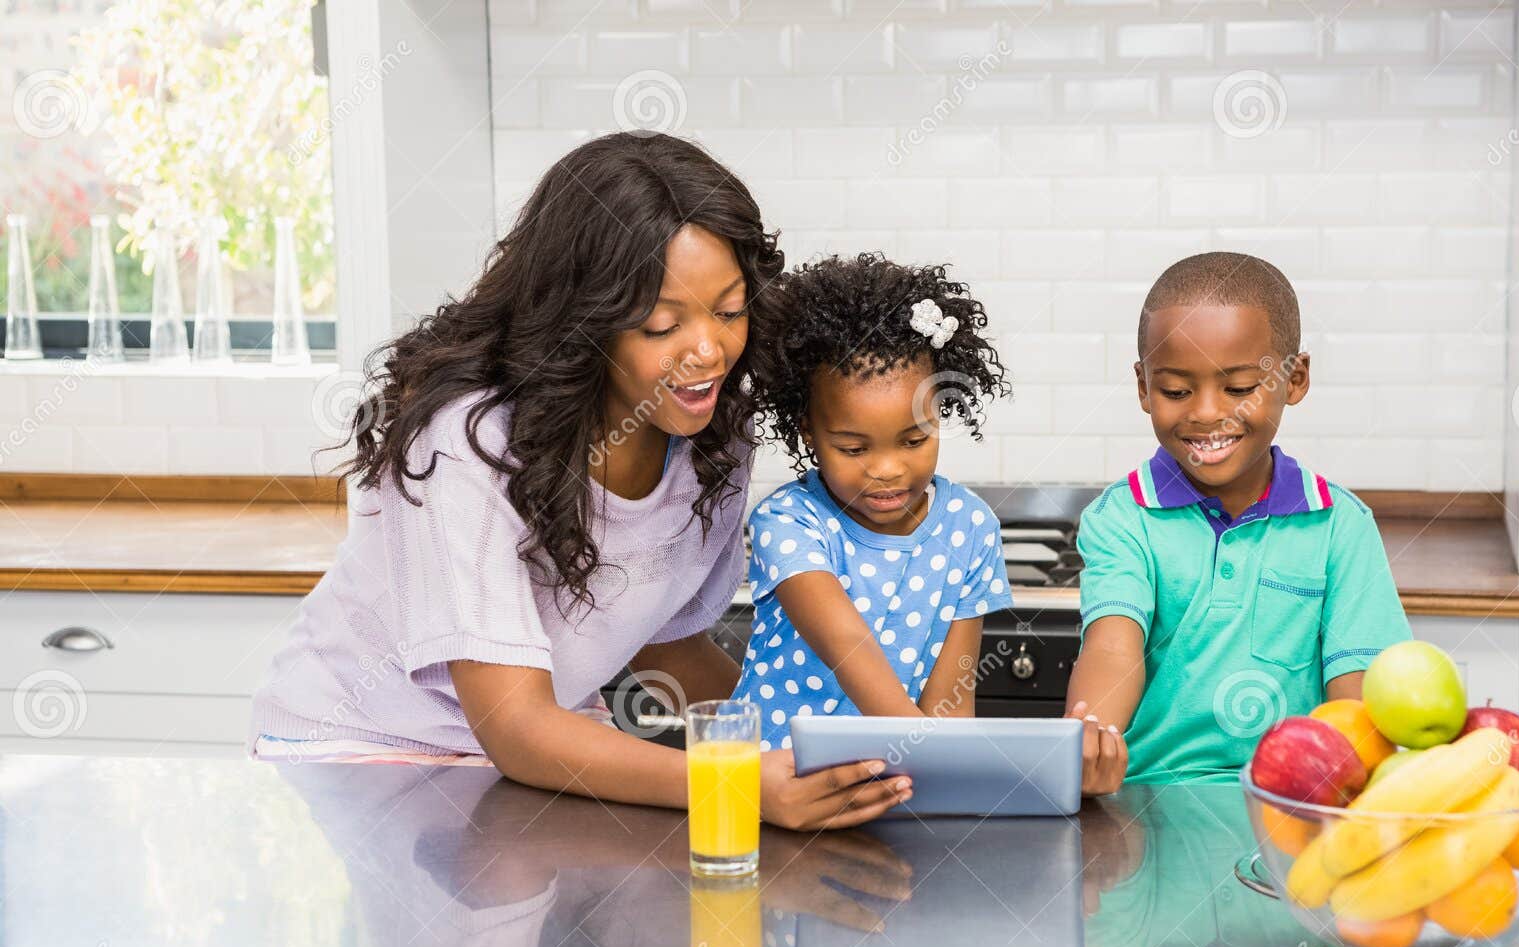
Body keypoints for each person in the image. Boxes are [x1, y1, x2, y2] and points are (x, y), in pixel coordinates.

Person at [249, 133, 907, 831]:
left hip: (530, 753)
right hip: (363, 751)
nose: (709, 351)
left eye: (730, 309)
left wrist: (823, 752)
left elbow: (664, 641)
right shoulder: (472, 439)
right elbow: (515, 724)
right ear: (584, 322)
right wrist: (735, 781)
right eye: (663, 324)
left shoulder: (713, 430)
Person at [1065, 251, 1410, 787]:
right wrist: (1089, 731)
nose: (1205, 412)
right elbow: (1113, 646)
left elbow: (1357, 691)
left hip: (1295, 806)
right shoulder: (1122, 518)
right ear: (1142, 387)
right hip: (1146, 802)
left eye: (1240, 388)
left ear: (1294, 379)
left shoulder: (1340, 523)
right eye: (1177, 391)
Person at [733, 253, 1013, 752]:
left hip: (896, 781)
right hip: (775, 782)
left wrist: (944, 779)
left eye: (913, 440)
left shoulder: (970, 526)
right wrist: (926, 757)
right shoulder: (789, 522)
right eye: (854, 449)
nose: (886, 470)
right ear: (809, 433)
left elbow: (950, 705)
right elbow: (847, 647)